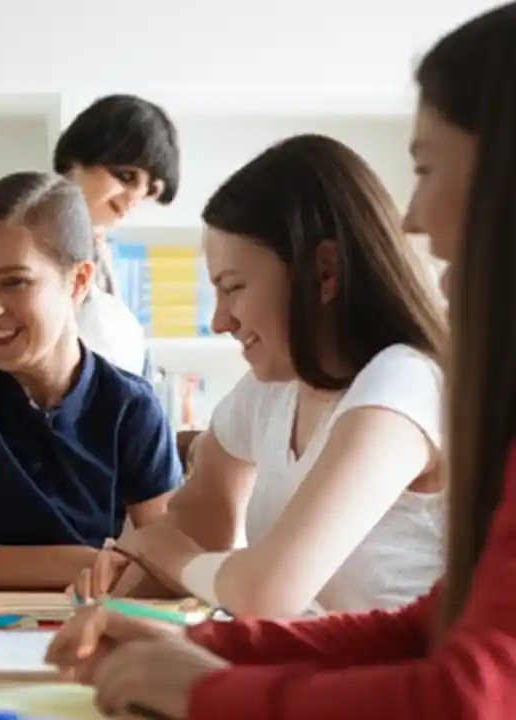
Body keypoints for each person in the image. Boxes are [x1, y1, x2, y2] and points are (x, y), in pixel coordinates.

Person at [45, 5, 516, 717]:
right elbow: (425, 630)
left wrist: (206, 681)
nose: (412, 216)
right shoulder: (274, 390)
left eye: (425, 167)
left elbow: (464, 692)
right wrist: (203, 650)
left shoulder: (400, 381)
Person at [77, 134, 448, 619]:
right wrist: (124, 578)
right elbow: (200, 514)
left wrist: (170, 555)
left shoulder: (403, 384)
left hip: (400, 683)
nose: (220, 321)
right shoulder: (271, 391)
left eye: (233, 289)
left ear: (325, 271)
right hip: (315, 670)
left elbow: (266, 593)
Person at [0, 171, 182, 610]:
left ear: (78, 281)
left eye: (14, 282)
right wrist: (90, 562)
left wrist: (118, 568)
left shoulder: (132, 406)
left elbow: (166, 563)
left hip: (82, 622)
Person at [0, 94, 180, 376]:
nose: (135, 197)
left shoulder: (115, 266)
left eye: (149, 189)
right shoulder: (12, 237)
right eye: (126, 176)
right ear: (76, 162)